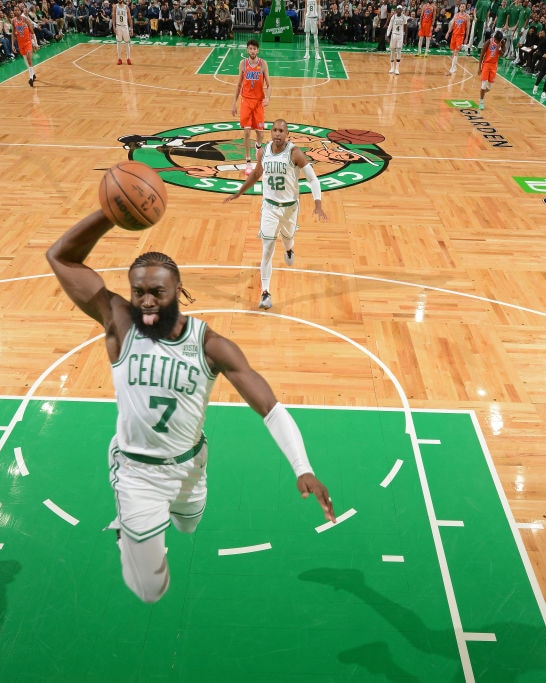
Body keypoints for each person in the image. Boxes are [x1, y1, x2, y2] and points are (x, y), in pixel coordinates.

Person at [45, 209, 336, 605]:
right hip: (135, 470)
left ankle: (149, 525)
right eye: (138, 291)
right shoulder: (119, 324)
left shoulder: (209, 345)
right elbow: (60, 257)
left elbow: (268, 405)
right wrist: (109, 213)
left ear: (177, 291)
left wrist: (304, 468)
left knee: (188, 526)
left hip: (190, 464)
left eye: (157, 292)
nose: (146, 301)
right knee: (150, 591)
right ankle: (127, 532)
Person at [223, 118, 328, 310]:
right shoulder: (263, 152)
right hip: (269, 207)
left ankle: (289, 249)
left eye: (281, 131)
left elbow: (312, 179)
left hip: (290, 208)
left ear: (287, 134)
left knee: (288, 238)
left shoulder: (295, 153)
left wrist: (318, 204)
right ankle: (265, 292)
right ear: (271, 133)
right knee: (267, 249)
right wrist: (239, 192)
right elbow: (255, 175)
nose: (277, 134)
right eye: (274, 130)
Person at [230, 38, 269, 175]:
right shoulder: (243, 63)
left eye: (254, 49)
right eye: (250, 48)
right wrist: (234, 103)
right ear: (247, 50)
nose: (252, 51)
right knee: (246, 132)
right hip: (246, 101)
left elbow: (269, 85)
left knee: (260, 133)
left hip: (258, 102)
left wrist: (268, 97)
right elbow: (239, 84)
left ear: (258, 50)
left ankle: (258, 146)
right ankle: (248, 162)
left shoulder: (263, 64)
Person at [477, 29, 504, 110]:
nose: (496, 41)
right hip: (486, 64)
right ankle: (481, 101)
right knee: (484, 85)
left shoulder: (502, 43)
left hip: (494, 65)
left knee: (488, 88)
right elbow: (482, 54)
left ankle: (481, 94)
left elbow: (502, 55)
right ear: (494, 37)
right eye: (495, 39)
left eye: (498, 40)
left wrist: (499, 48)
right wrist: (479, 67)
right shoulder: (489, 42)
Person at [13, 6, 37, 86]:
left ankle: (31, 79)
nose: (16, 11)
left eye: (17, 10)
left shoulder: (26, 20)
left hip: (28, 42)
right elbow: (13, 34)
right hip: (20, 43)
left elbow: (32, 32)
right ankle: (33, 74)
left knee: (29, 60)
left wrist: (35, 43)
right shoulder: (13, 21)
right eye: (14, 10)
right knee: (26, 61)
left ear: (20, 11)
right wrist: (12, 44)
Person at [446, 2, 469, 74]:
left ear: (465, 8)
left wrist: (466, 38)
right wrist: (448, 33)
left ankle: (452, 69)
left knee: (456, 52)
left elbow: (468, 28)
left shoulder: (467, 16)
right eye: (461, 7)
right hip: (454, 35)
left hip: (460, 36)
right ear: (459, 8)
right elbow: (452, 25)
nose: (462, 8)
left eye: (463, 7)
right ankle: (454, 66)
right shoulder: (456, 15)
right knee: (453, 52)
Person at [386, 4, 406, 74]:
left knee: (399, 51)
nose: (399, 10)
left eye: (401, 9)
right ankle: (392, 68)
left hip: (400, 35)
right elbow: (390, 26)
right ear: (396, 10)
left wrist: (405, 37)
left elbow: (405, 27)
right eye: (398, 9)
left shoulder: (404, 17)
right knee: (392, 51)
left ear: (402, 10)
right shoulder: (393, 17)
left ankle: (397, 69)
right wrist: (387, 35)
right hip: (394, 35)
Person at [113, 0, 132, 65]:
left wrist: (131, 28)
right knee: (119, 43)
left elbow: (129, 18)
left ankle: (128, 58)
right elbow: (113, 17)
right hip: (118, 26)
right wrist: (114, 26)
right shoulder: (115, 6)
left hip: (125, 26)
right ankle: (119, 58)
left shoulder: (126, 7)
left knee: (127, 43)